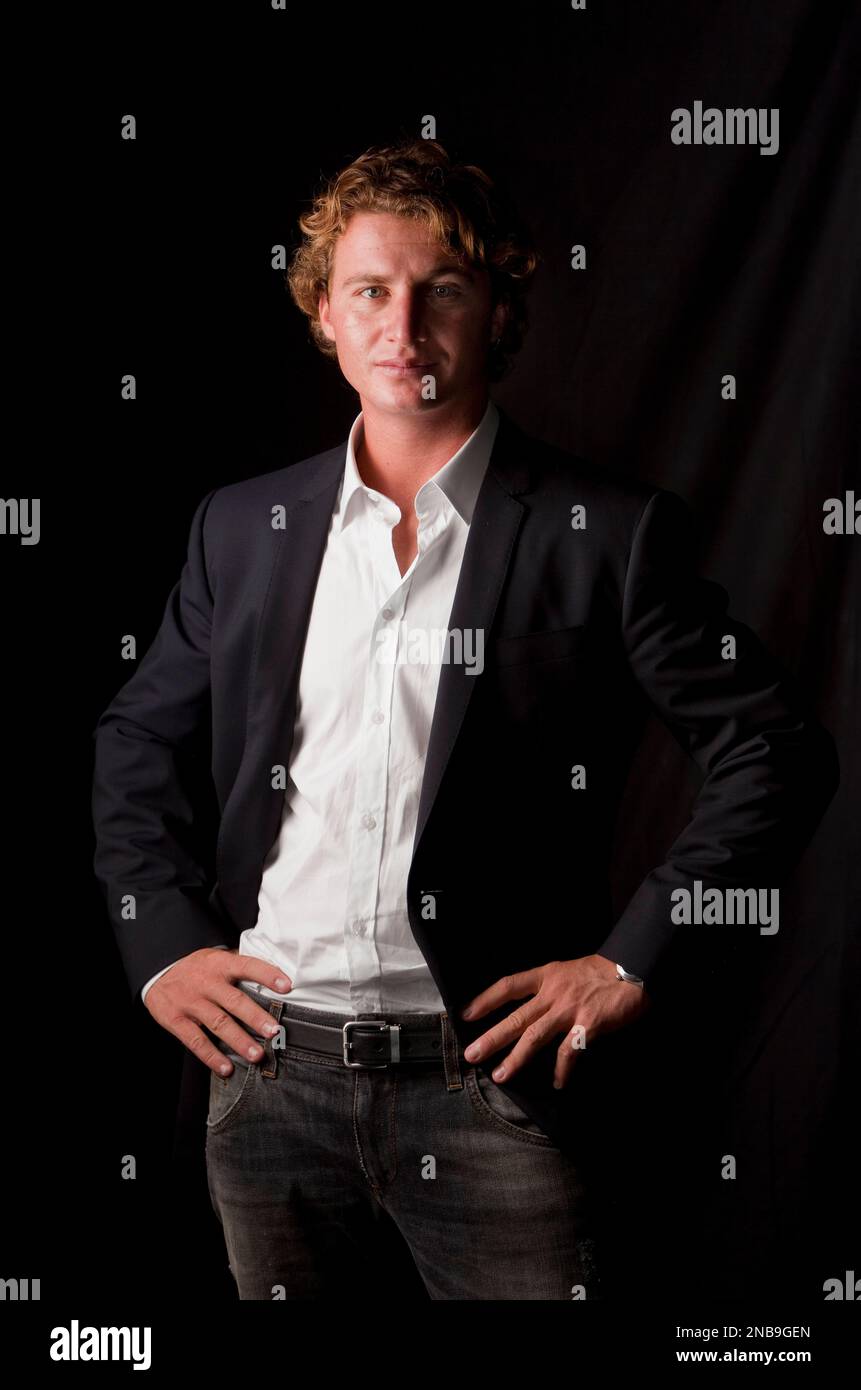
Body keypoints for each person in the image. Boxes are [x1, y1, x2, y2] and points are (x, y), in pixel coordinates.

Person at [91, 138, 839, 1300]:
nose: (404, 325)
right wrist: (163, 948)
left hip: (494, 1086)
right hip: (267, 1081)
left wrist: (632, 952)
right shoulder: (241, 528)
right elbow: (136, 740)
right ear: (325, 318)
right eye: (369, 292)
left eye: (443, 288)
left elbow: (775, 747)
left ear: (497, 309)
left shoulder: (608, 530)